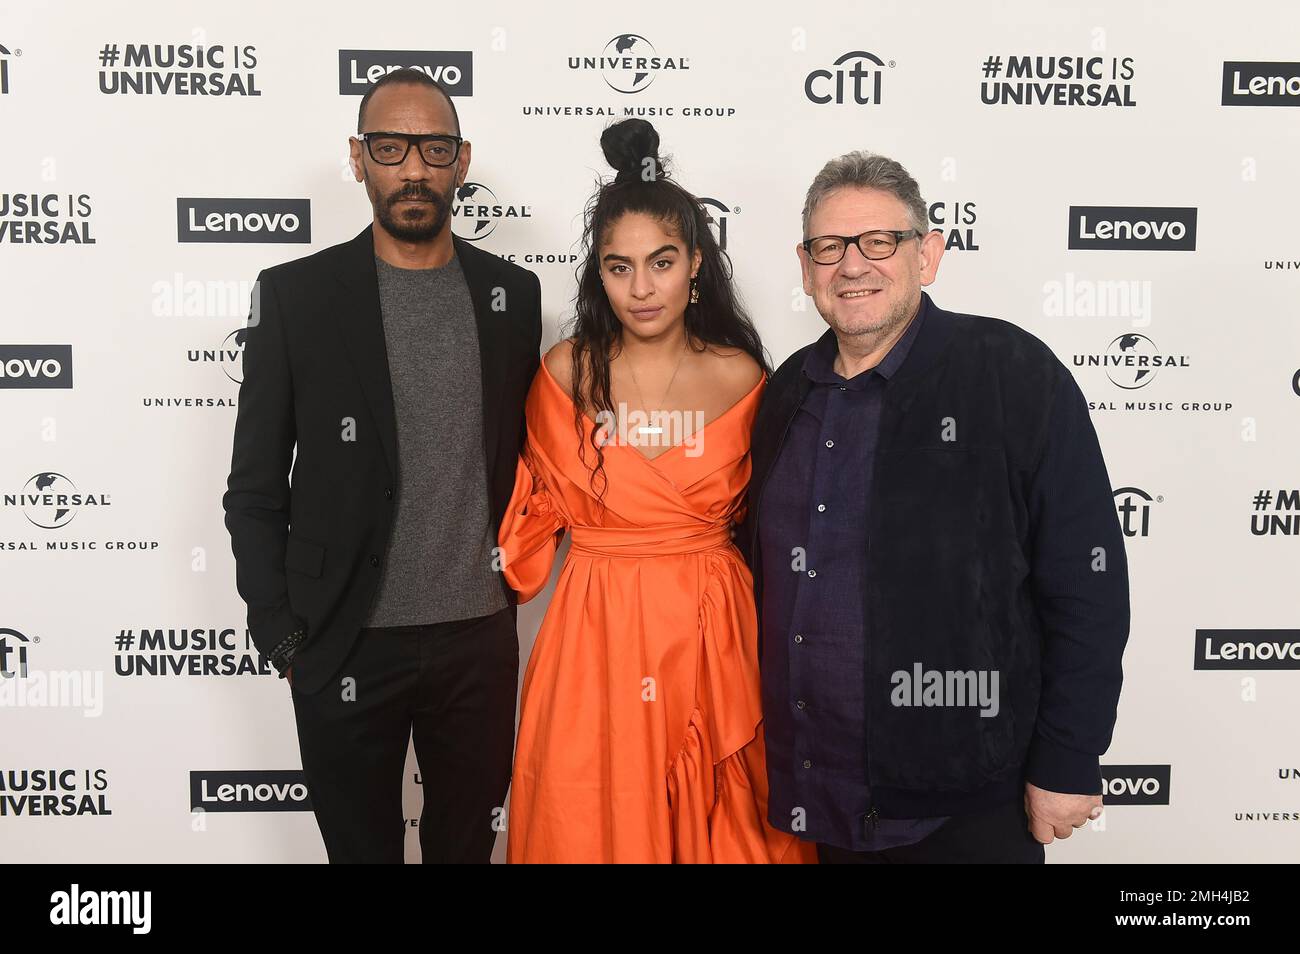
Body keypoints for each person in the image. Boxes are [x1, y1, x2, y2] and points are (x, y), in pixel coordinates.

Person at [742, 151, 1130, 863]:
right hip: (817, 802)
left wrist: (1069, 757)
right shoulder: (787, 390)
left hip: (967, 808)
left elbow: (1088, 583)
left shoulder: (1013, 373)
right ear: (805, 268)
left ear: (928, 254)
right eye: (829, 247)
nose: (852, 265)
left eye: (878, 242)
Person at [222, 68, 541, 863]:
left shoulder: (514, 295)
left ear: (461, 160)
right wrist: (283, 635)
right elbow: (255, 488)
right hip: (342, 639)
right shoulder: (295, 296)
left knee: (465, 851)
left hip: (475, 639)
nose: (414, 170)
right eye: (391, 147)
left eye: (433, 149)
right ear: (358, 159)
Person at [498, 119, 815, 863]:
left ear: (696, 264)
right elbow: (523, 529)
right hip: (594, 635)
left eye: (662, 262)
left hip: (712, 633)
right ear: (597, 274)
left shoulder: (745, 377)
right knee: (591, 820)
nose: (641, 289)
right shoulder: (562, 373)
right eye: (619, 267)